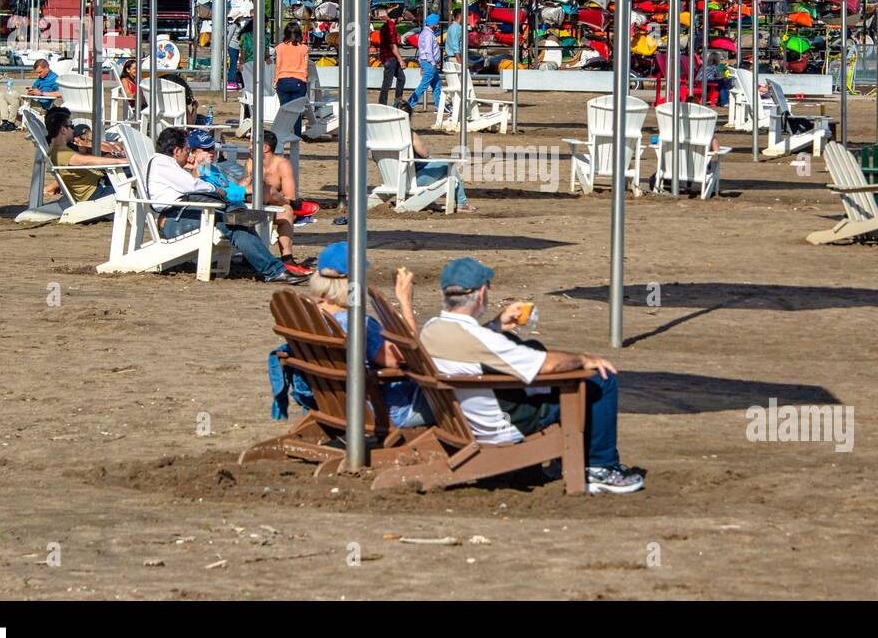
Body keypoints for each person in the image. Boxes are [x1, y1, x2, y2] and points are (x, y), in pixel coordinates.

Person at [418, 257, 644, 494]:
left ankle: (577, 459)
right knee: (599, 379)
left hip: (465, 418)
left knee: (533, 345)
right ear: (482, 293)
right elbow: (545, 365)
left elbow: (471, 346)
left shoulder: (432, 329)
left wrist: (496, 325)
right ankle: (600, 467)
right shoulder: (483, 341)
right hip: (502, 425)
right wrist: (584, 358)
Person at [269, 243, 432, 428]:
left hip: (328, 406)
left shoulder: (308, 319)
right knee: (455, 398)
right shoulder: (356, 323)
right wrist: (406, 303)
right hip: (380, 411)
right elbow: (404, 358)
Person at [148, 127, 293, 283]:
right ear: (176, 151)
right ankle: (273, 269)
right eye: (186, 150)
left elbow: (193, 185)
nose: (188, 154)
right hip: (175, 219)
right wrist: (215, 189)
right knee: (232, 220)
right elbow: (192, 185)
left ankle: (274, 270)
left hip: (186, 213)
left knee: (234, 224)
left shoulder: (167, 165)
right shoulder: (162, 163)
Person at [186, 128, 313, 280]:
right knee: (266, 193)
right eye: (205, 149)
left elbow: (228, 188)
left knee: (279, 208)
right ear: (192, 152)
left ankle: (282, 264)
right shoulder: (194, 171)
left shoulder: (211, 168)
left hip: (231, 205)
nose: (211, 152)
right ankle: (294, 205)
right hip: (214, 212)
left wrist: (244, 188)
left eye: (212, 147)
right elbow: (202, 189)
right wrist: (246, 188)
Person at [43, 107, 122, 202]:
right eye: (71, 126)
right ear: (63, 130)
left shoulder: (62, 148)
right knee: (136, 190)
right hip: (95, 194)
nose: (73, 130)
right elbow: (85, 161)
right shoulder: (61, 153)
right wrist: (119, 161)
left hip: (99, 185)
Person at [411, 129, 475, 213]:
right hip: (414, 179)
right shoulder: (409, 134)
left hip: (395, 181)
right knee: (450, 166)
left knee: (435, 164)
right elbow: (425, 154)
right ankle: (461, 204)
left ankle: (428, 201)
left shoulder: (388, 137)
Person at [273, 21, 310, 137]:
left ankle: (283, 133)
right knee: (296, 110)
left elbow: (278, 65)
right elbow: (306, 67)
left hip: (283, 80)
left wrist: (275, 80)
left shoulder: (279, 48)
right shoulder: (304, 48)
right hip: (299, 81)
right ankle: (296, 134)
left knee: (284, 109)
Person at [403, 13, 442, 114]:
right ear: (432, 23)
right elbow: (428, 50)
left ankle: (439, 106)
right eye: (437, 23)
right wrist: (433, 63)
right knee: (423, 86)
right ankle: (409, 105)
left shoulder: (424, 33)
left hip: (427, 63)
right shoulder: (429, 34)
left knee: (437, 85)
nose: (438, 25)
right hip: (429, 63)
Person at [377, 6, 406, 105]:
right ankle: (382, 104)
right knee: (387, 83)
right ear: (397, 17)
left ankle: (397, 101)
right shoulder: (391, 27)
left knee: (401, 78)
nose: (402, 19)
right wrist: (401, 60)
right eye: (401, 17)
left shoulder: (385, 26)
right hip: (390, 58)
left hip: (387, 58)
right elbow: (392, 45)